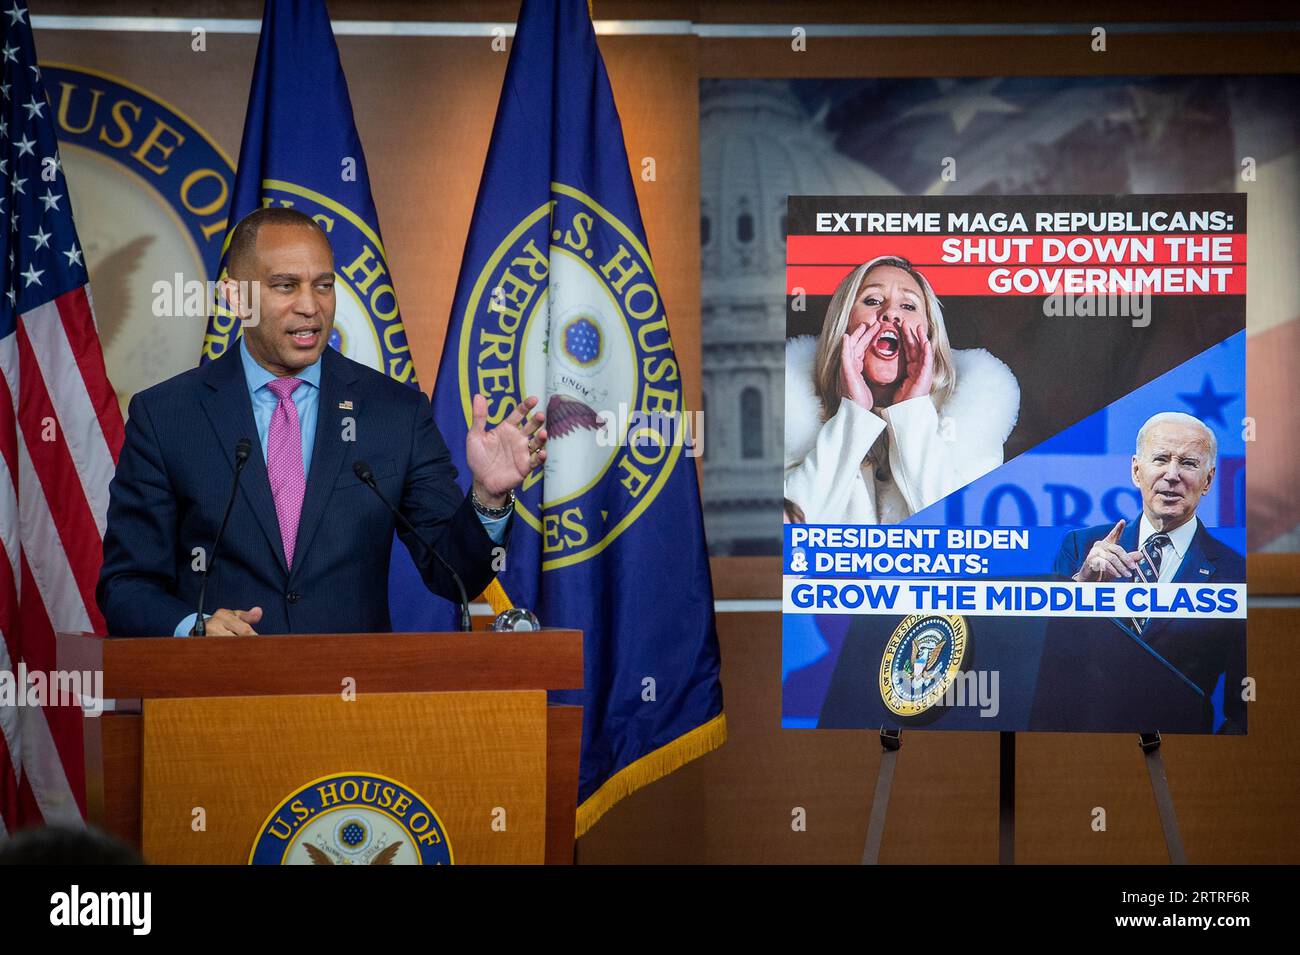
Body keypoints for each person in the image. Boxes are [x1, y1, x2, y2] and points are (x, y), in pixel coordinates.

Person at [96, 207, 547, 636]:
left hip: (351, 703)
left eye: (324, 285)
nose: (310, 306)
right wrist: (194, 628)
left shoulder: (396, 413)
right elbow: (126, 587)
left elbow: (455, 576)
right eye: (285, 286)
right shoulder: (167, 416)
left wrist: (488, 497)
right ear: (236, 297)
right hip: (217, 701)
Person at [1032, 411, 1246, 732]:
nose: (1172, 475)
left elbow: (1243, 711)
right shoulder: (1080, 548)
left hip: (1179, 756)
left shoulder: (1236, 574)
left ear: (1209, 480)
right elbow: (1040, 658)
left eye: (1188, 463)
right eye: (1160, 459)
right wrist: (1080, 587)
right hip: (1080, 750)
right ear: (1136, 470)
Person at [784, 255, 1019, 525]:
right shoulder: (789, 410)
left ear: (930, 334)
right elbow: (788, 547)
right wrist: (854, 414)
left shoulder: (975, 412)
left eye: (908, 305)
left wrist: (912, 412)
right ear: (842, 326)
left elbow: (964, 541)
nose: (891, 313)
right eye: (872, 301)